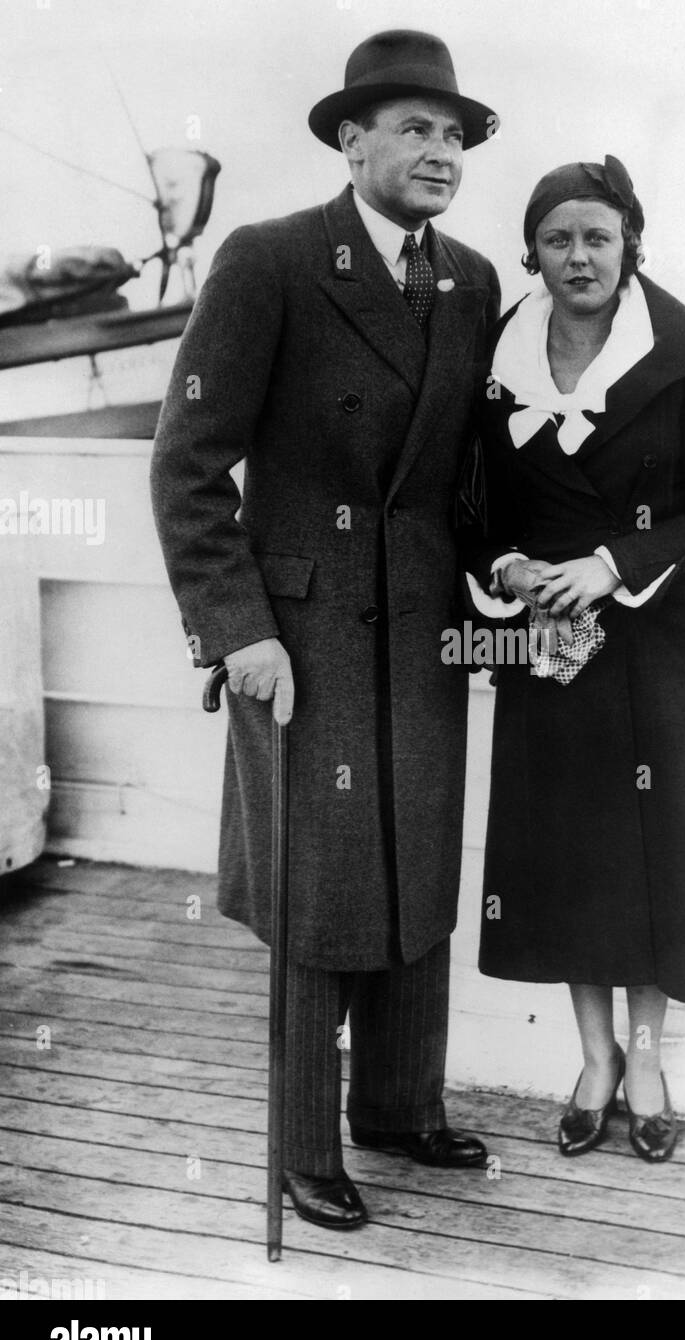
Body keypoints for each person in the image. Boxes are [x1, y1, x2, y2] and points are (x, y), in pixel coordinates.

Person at [150, 30, 501, 1230]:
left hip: (423, 631)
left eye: (454, 133)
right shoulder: (270, 261)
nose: (439, 150)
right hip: (297, 645)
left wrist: (503, 578)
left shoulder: (470, 282)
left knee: (415, 869)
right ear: (350, 141)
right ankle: (304, 1146)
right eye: (414, 127)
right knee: (321, 886)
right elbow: (189, 463)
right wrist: (234, 630)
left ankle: (399, 1104)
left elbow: (463, 474)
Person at [462, 156, 685, 1162]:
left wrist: (611, 562)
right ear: (533, 251)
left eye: (597, 236)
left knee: (656, 856)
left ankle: (646, 1056)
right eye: (558, 239)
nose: (578, 256)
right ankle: (592, 1060)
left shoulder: (680, 349)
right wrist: (504, 565)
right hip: (547, 652)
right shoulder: (496, 354)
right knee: (569, 860)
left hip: (653, 644)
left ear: (630, 243)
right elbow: (469, 506)